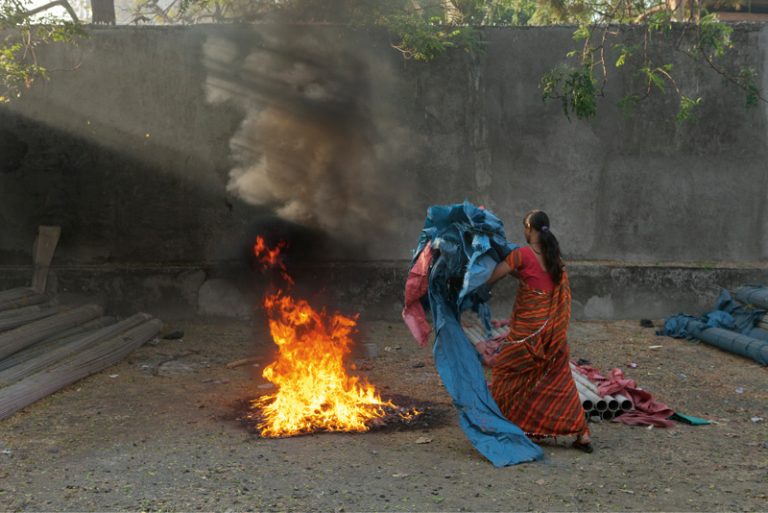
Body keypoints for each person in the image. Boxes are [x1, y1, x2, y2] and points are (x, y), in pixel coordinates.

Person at [484, 210, 592, 453]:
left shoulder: (521, 254)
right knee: (560, 382)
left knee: (505, 374)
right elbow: (532, 276)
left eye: (524, 227)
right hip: (552, 333)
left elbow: (490, 278)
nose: (523, 232)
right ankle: (582, 432)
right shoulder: (555, 260)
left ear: (529, 228)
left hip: (527, 335)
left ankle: (504, 424)